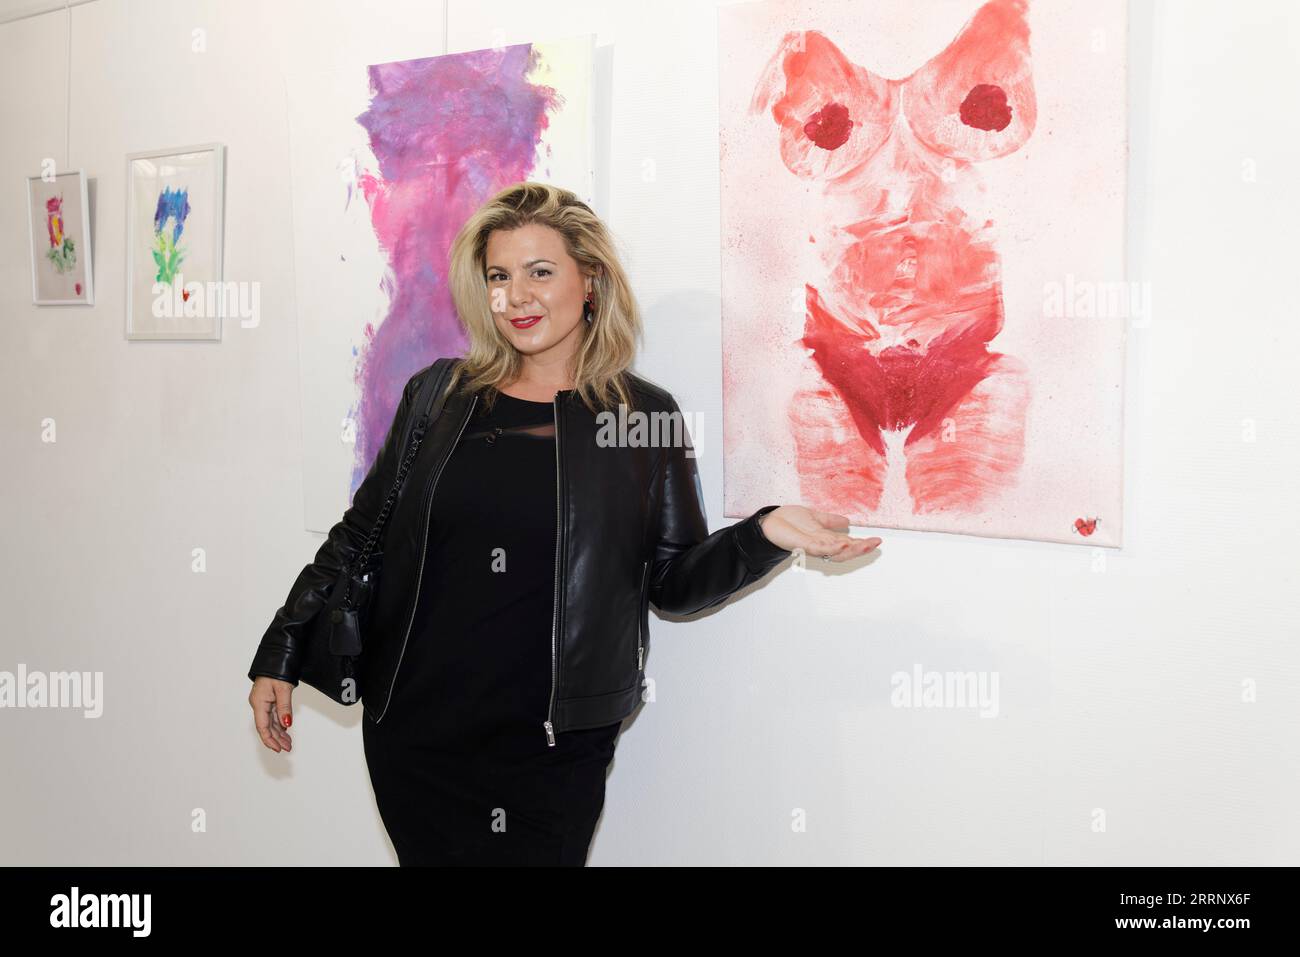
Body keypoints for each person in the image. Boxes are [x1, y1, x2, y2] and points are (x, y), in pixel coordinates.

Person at [247, 181, 881, 866]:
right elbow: (360, 533)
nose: (516, 296)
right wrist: (281, 650)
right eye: (499, 275)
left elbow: (673, 581)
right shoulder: (438, 395)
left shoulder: (639, 417)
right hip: (418, 731)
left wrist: (765, 534)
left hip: (553, 747)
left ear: (590, 281)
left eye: (540, 271)